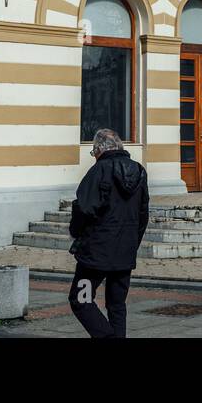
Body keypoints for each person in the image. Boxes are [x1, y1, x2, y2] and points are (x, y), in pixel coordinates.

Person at [67, 128, 149, 338]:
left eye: (93, 153)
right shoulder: (139, 171)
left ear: (99, 149)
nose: (93, 157)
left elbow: (83, 208)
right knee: (117, 304)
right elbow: (143, 215)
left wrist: (76, 233)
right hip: (124, 252)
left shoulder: (99, 171)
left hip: (95, 255)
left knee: (81, 298)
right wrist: (132, 244)